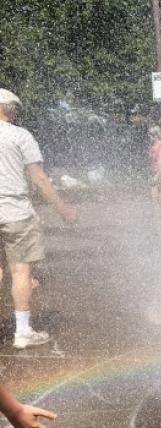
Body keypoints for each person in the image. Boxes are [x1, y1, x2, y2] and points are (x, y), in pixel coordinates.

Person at [0, 88, 78, 349]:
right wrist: (63, 210)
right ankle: (22, 332)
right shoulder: (20, 136)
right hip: (15, 213)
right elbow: (39, 178)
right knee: (21, 270)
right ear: (10, 110)